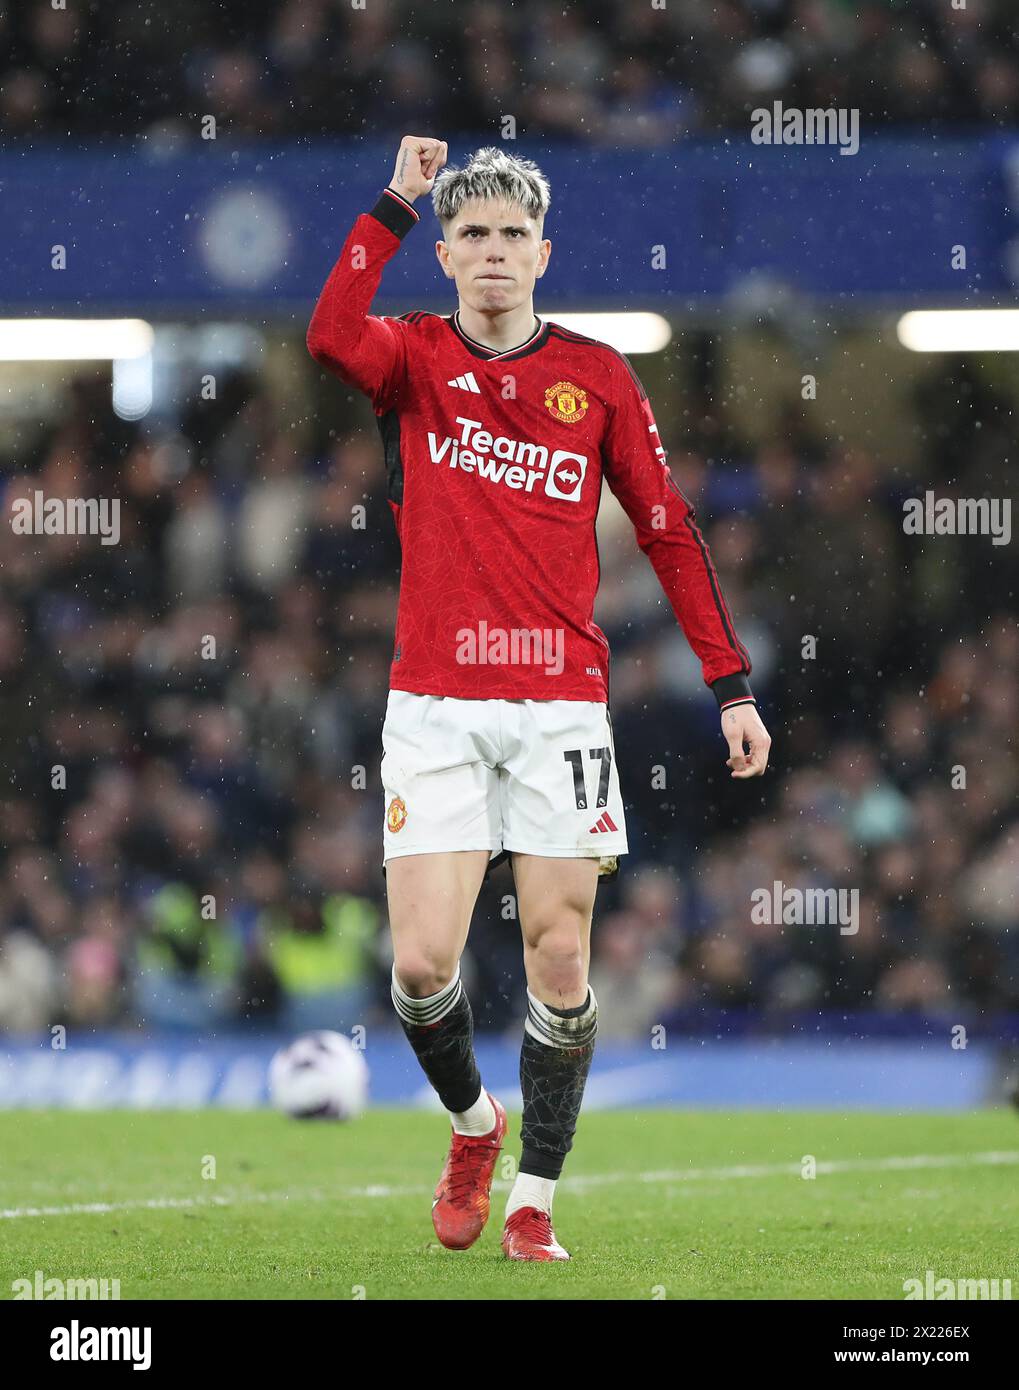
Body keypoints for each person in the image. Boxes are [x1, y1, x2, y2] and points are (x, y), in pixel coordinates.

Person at [307, 136, 771, 1261]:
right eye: (472, 234)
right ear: (449, 255)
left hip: (560, 705)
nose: (494, 251)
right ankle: (474, 1126)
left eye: (513, 234)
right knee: (419, 966)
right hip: (434, 702)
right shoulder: (412, 356)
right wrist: (394, 201)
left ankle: (534, 1199)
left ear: (543, 251)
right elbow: (326, 333)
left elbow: (665, 527)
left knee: (560, 959)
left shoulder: (599, 375)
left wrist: (729, 685)